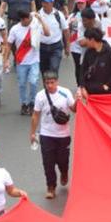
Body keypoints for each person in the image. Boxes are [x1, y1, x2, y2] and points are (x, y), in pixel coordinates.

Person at [30, 71, 76, 199]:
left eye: (52, 82)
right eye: (47, 83)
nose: (50, 85)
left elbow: (74, 109)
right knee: (48, 162)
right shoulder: (40, 96)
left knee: (63, 160)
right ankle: (51, 187)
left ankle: (64, 172)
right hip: (46, 134)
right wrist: (33, 133)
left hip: (63, 134)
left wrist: (79, 99)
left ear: (57, 81)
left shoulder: (65, 93)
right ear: (44, 83)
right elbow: (35, 115)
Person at [78, 26, 111, 99]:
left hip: (105, 92)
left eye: (86, 39)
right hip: (89, 91)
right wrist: (82, 87)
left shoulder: (110, 52)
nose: (85, 41)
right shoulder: (88, 52)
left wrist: (108, 85)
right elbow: (82, 70)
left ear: (92, 40)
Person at [35, 0, 67, 76]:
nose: (44, 4)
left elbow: (66, 31)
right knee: (44, 71)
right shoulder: (37, 15)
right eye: (43, 2)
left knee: (54, 69)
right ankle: (47, 88)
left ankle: (53, 87)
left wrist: (67, 47)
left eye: (47, 2)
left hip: (56, 47)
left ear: (52, 3)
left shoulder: (59, 15)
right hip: (42, 47)